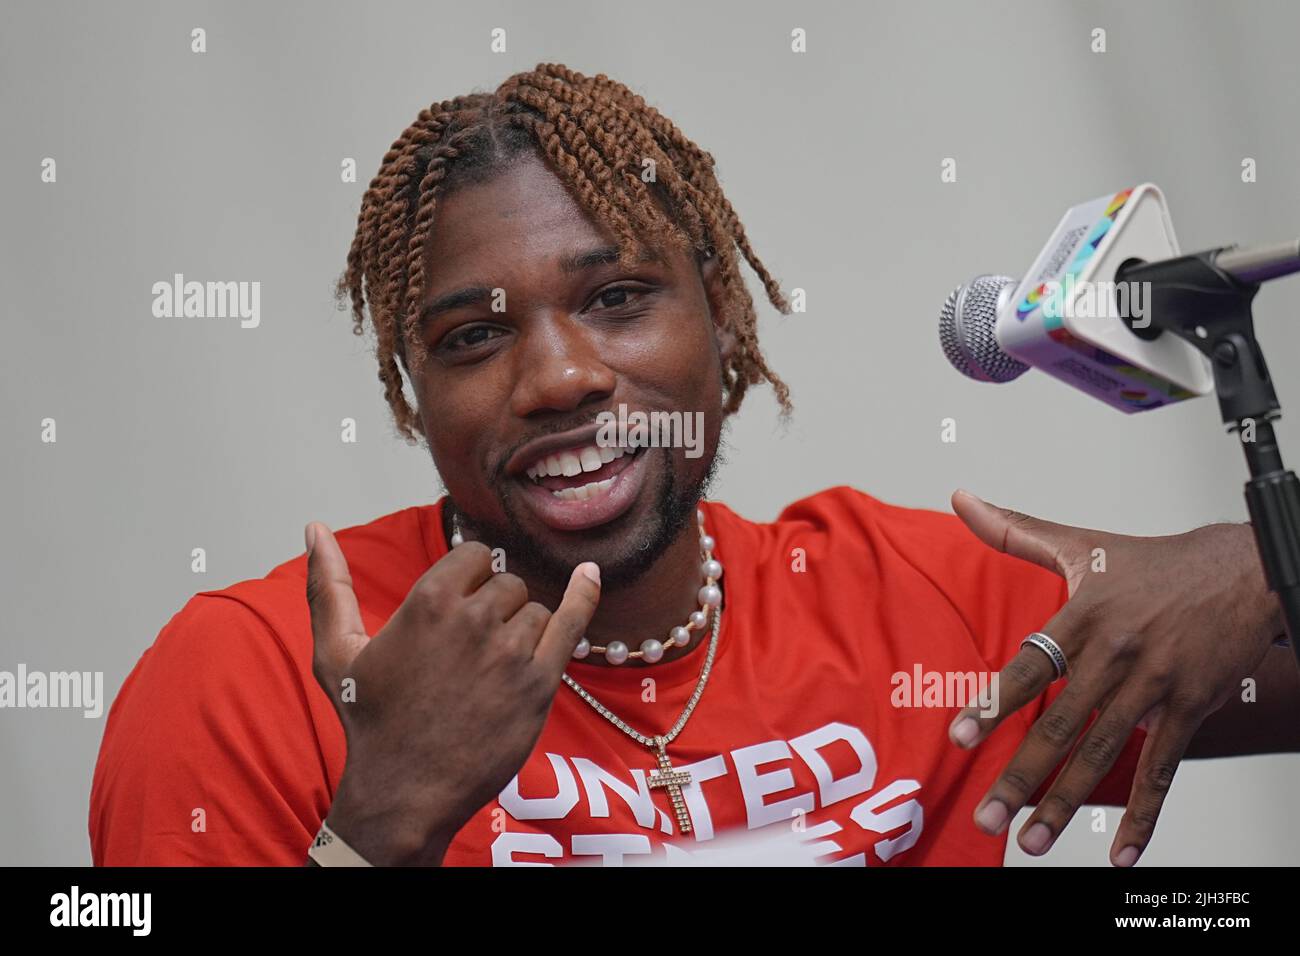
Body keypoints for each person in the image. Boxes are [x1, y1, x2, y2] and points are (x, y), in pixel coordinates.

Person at [89, 63, 1299, 868]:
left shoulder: (913, 604)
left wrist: (1253, 565)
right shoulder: (255, 673)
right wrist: (380, 818)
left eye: (618, 298)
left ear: (720, 316)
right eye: (474, 335)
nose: (560, 377)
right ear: (415, 386)